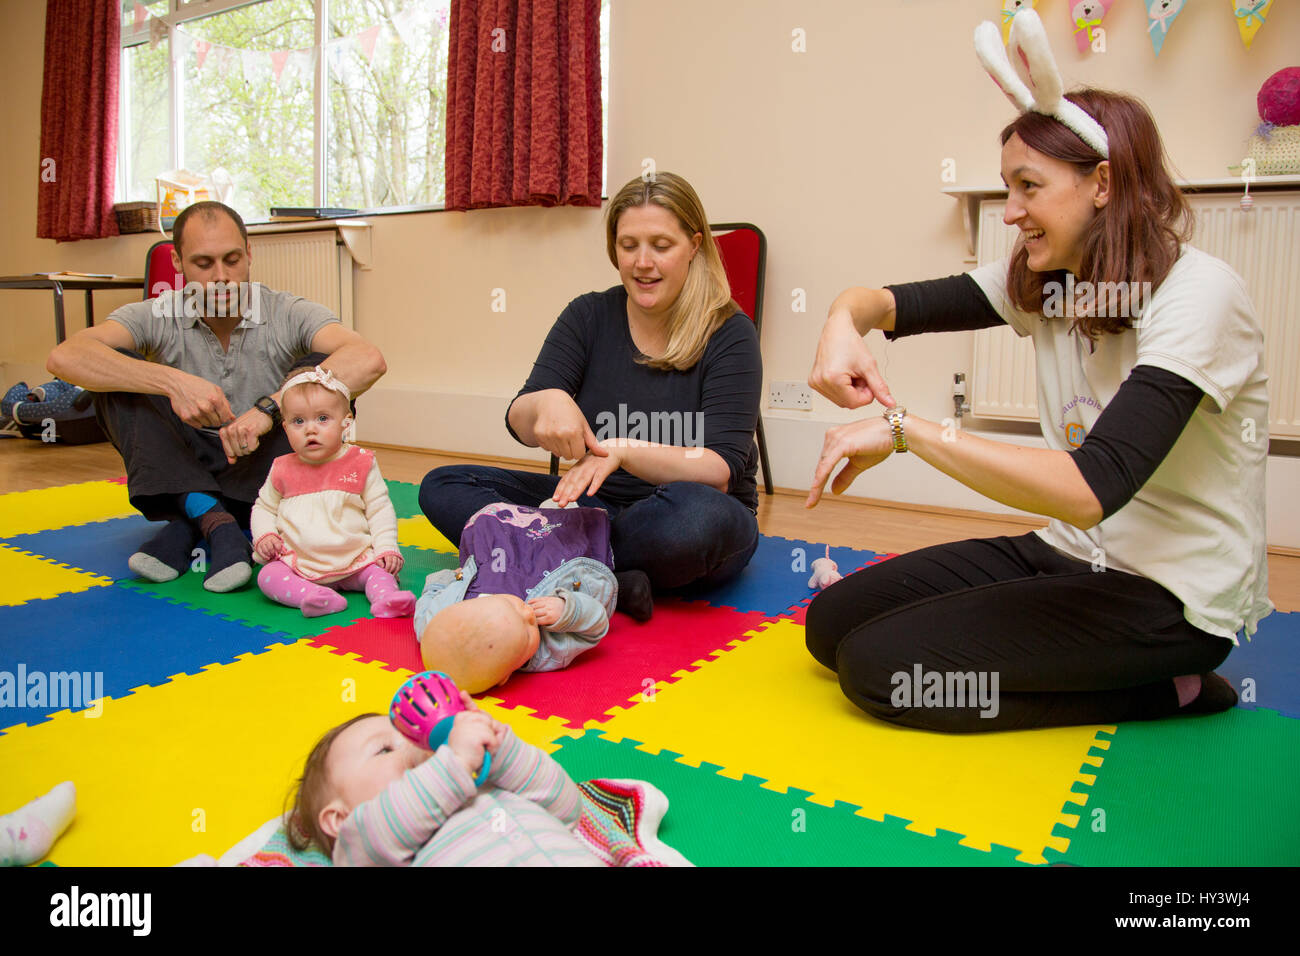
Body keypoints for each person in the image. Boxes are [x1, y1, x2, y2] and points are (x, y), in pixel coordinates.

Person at [803, 11, 1271, 733]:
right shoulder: (1050, 274)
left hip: (1170, 596)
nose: (1011, 212)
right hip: (1071, 553)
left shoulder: (1198, 296)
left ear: (1104, 184)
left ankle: (1171, 687)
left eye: (1029, 187)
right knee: (832, 625)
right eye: (1006, 188)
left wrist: (904, 430)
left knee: (884, 671)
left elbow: (1092, 489)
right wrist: (841, 322)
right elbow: (886, 305)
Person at [418, 172, 762, 603]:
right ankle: (609, 572)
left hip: (678, 511)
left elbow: (720, 469)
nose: (642, 262)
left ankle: (549, 561)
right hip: (589, 508)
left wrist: (621, 450)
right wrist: (550, 401)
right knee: (444, 484)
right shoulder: (588, 315)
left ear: (693, 246)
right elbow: (518, 419)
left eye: (661, 245)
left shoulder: (730, 332)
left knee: (698, 524)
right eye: (628, 245)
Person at [46, 201, 387, 593]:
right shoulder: (157, 313)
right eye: (204, 264)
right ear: (178, 263)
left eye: (232, 260)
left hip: (267, 472)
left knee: (326, 376)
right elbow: (64, 357)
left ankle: (191, 518)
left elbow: (369, 359)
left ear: (249, 256)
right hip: (184, 461)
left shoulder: (286, 311)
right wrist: (173, 382)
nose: (222, 277)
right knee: (117, 381)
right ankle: (219, 523)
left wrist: (267, 410)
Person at [287, 699, 603, 866]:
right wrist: (456, 763)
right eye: (385, 749)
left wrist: (501, 749)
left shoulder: (487, 786)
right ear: (340, 819)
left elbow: (565, 807)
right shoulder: (363, 840)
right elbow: (385, 828)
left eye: (412, 734)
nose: (414, 744)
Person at [250, 367, 415, 619]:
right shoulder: (282, 468)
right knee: (267, 576)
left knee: (382, 572)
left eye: (323, 418)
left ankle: (386, 598)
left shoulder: (360, 462)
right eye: (298, 421)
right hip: (299, 563)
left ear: (345, 422)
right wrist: (265, 535)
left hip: (356, 561)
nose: (310, 430)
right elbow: (263, 508)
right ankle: (312, 596)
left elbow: (379, 509)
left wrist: (386, 548)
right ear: (285, 428)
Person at [414, 502, 628, 693]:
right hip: (556, 573)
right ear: (505, 676)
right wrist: (567, 610)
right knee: (568, 525)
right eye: (527, 632)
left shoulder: (434, 625)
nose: (527, 612)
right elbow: (597, 625)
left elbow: (428, 598)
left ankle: (543, 512)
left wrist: (447, 579)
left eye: (509, 604)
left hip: (506, 561)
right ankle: (561, 517)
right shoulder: (549, 654)